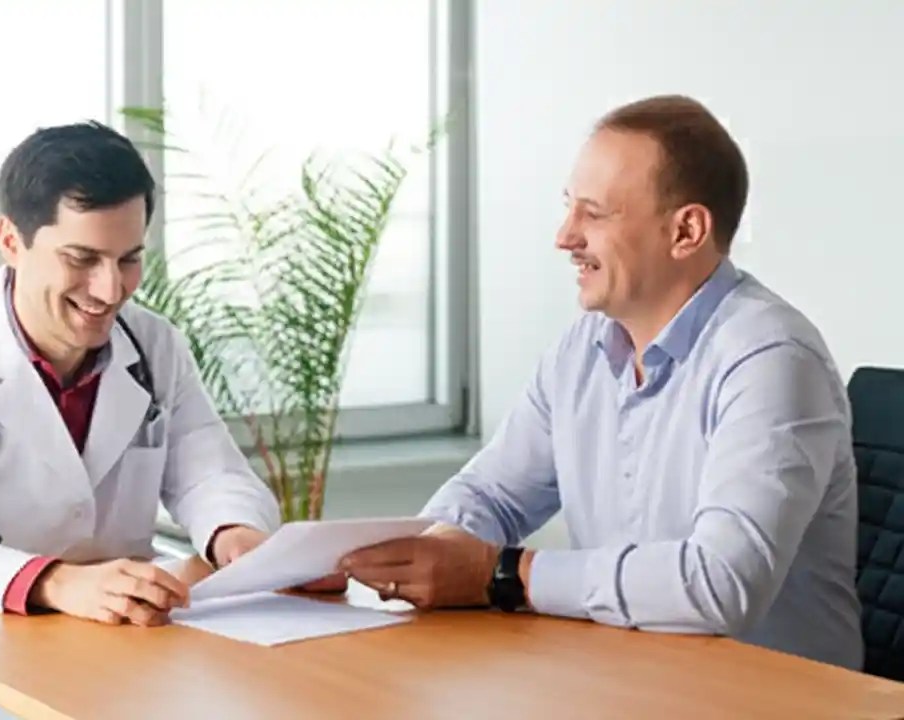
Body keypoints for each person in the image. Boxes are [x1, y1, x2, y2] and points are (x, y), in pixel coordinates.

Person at [340, 95, 863, 670]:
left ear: (686, 230)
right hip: (631, 681)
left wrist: (505, 574)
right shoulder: (582, 349)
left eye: (594, 214)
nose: (565, 237)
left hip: (774, 700)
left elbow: (719, 583)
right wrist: (407, 555)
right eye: (569, 209)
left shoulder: (771, 358)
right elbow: (491, 496)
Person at [0, 121, 281, 718]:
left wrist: (237, 538)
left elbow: (211, 473)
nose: (110, 289)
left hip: (122, 639)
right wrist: (55, 582)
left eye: (129, 258)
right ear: (10, 240)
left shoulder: (155, 347)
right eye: (82, 259)